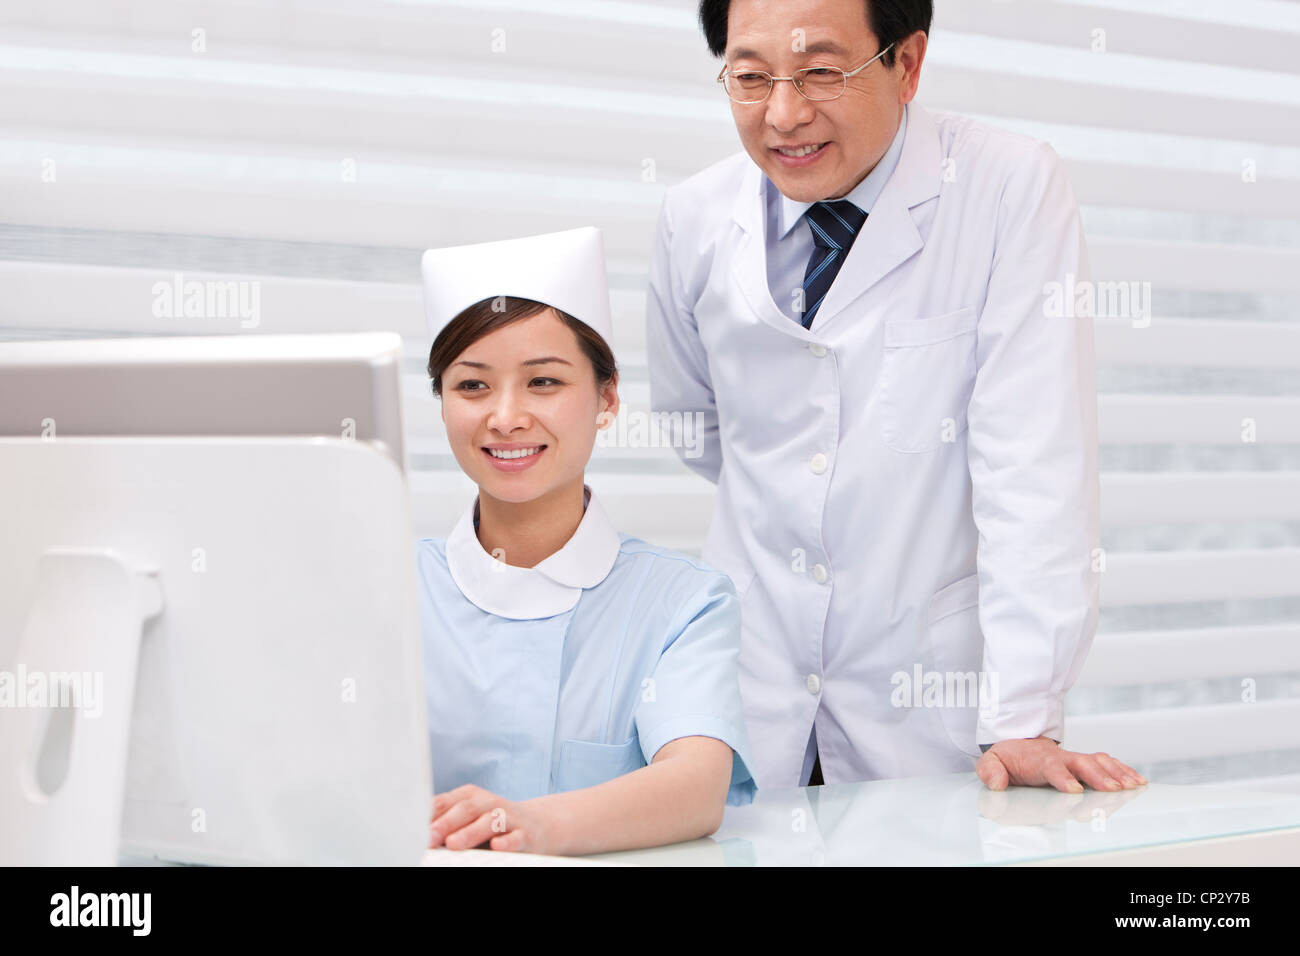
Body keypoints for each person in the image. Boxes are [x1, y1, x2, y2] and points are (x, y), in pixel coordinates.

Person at [646, 0, 1145, 794]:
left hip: (929, 703)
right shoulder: (693, 217)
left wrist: (1022, 717)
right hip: (750, 688)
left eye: (819, 72)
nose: (783, 113)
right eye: (750, 77)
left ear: (907, 64)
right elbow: (696, 426)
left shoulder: (1005, 187)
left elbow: (1033, 462)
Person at [416, 227, 756, 856]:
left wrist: (538, 826)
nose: (506, 416)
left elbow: (696, 785)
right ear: (441, 404)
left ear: (607, 398)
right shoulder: (389, 588)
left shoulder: (682, 603)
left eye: (543, 382)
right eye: (472, 385)